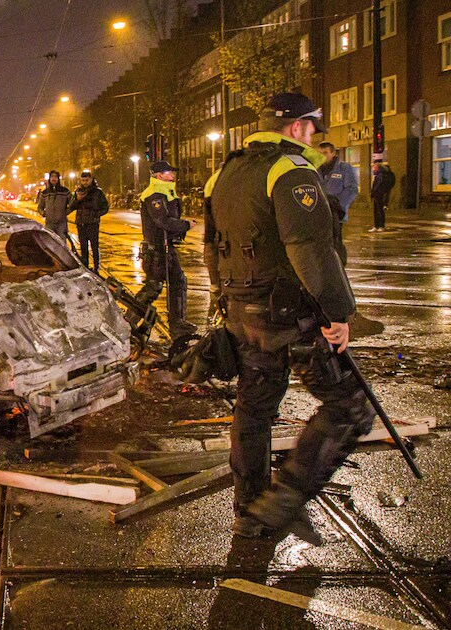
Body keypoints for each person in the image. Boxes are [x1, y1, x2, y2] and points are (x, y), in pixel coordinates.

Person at [204, 92, 373, 543]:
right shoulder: (291, 170)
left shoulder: (223, 173)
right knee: (351, 408)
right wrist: (340, 313)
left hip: (243, 314)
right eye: (313, 128)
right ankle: (280, 505)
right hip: (289, 318)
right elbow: (311, 252)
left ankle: (249, 508)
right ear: (298, 127)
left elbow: (210, 249)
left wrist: (224, 300)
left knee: (255, 405)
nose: (315, 138)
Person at [131, 160, 194, 339]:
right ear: (159, 175)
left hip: (166, 246)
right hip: (157, 248)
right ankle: (129, 320)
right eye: (169, 172)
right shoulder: (154, 194)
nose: (173, 175)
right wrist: (186, 225)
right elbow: (162, 221)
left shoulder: (166, 191)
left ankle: (178, 323)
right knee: (154, 286)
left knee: (177, 282)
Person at [316, 142, 356, 263]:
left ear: (332, 153)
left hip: (336, 213)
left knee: (335, 240)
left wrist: (338, 204)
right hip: (319, 212)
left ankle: (338, 264)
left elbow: (352, 189)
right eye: (320, 153)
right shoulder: (315, 169)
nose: (323, 156)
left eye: (325, 153)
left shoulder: (344, 168)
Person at [67, 169, 108, 271]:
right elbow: (71, 206)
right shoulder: (78, 192)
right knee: (83, 247)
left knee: (94, 247)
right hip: (81, 223)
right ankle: (85, 267)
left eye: (87, 180)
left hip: (92, 223)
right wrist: (77, 199)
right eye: (83, 180)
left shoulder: (98, 192)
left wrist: (97, 215)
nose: (85, 182)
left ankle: (96, 268)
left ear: (91, 179)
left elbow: (105, 206)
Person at [37, 170, 71, 239]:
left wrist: (65, 212)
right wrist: (43, 213)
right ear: (49, 179)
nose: (54, 178)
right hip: (49, 223)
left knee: (61, 242)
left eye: (56, 177)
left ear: (58, 179)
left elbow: (72, 204)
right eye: (52, 177)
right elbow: (40, 206)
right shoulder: (45, 193)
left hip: (61, 223)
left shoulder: (65, 191)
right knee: (50, 241)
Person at [369, 159, 395, 232]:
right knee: (377, 210)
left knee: (379, 210)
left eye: (374, 166)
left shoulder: (381, 175)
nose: (373, 168)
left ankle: (380, 226)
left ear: (377, 167)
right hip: (378, 194)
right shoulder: (379, 174)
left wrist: (373, 192)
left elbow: (378, 185)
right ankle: (377, 226)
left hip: (379, 194)